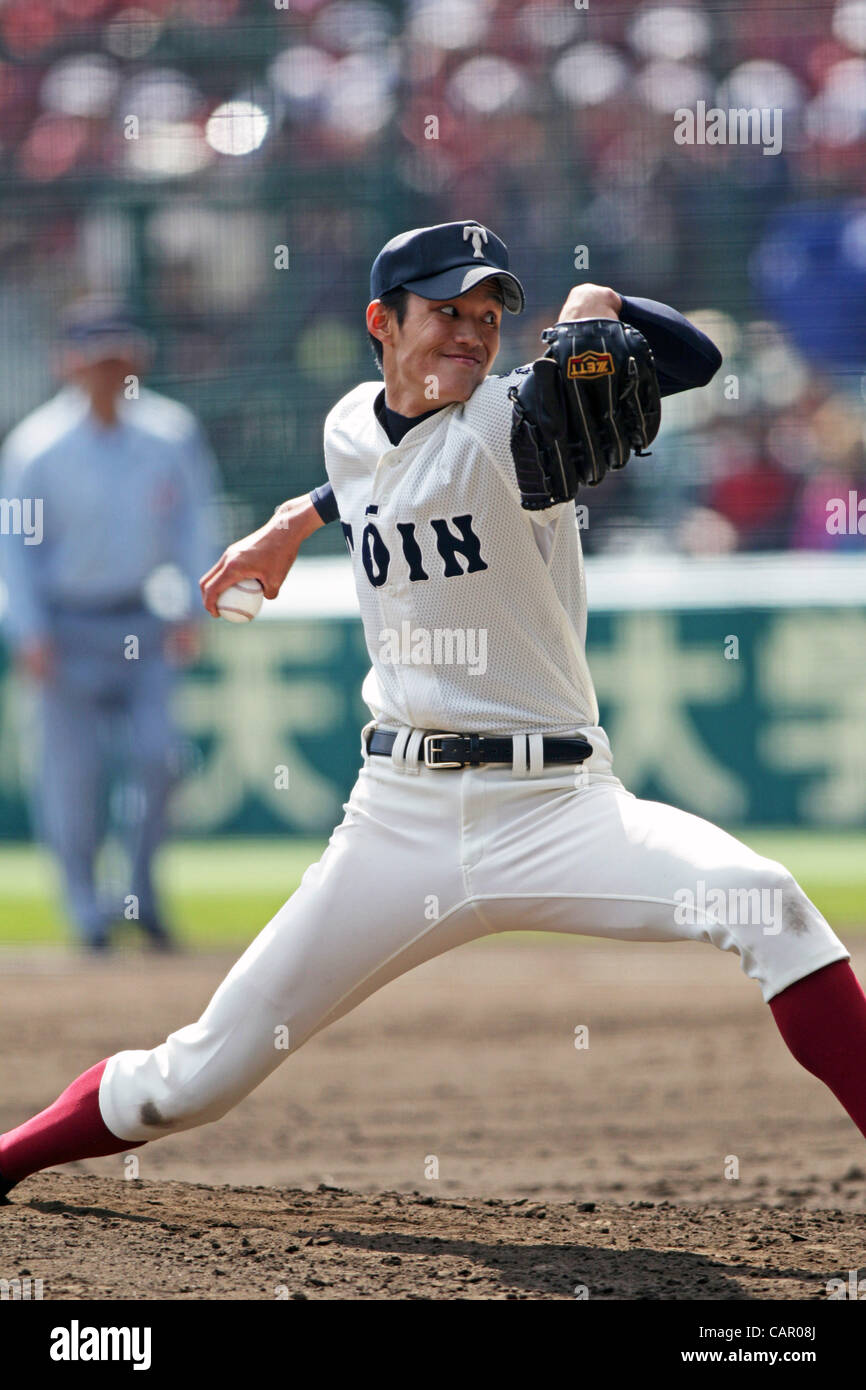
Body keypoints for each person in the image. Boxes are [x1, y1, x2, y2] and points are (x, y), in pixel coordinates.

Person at [1, 222, 864, 1203]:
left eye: (488, 314)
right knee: (198, 1078)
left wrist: (596, 310)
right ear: (381, 322)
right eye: (446, 311)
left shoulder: (518, 423)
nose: (471, 331)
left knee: (773, 906)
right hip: (395, 819)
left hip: (559, 808)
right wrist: (293, 521)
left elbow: (692, 360)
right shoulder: (346, 425)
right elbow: (372, 463)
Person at [0, 297, 218, 953]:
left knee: (160, 757)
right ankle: (86, 914)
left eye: (121, 357)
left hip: (143, 617)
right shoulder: (38, 447)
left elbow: (195, 522)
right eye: (99, 359)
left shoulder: (168, 432)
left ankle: (140, 896)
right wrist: (30, 631)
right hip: (67, 626)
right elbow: (16, 547)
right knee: (72, 777)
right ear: (71, 364)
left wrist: (192, 603)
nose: (111, 370)